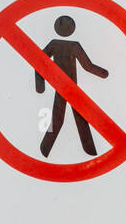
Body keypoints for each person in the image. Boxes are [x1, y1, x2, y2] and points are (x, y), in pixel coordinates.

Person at [36, 15, 109, 157]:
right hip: (67, 88)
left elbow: (38, 62)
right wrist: (103, 73)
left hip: (66, 88)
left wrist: (40, 85)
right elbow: (88, 66)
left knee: (72, 118)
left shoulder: (55, 44)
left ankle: (88, 150)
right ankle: (45, 149)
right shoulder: (71, 45)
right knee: (66, 119)